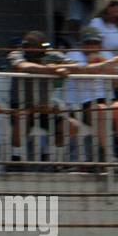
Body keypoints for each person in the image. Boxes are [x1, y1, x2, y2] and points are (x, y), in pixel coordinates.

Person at [66, 28, 118, 162]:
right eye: (88, 43)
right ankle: (110, 157)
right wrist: (105, 64)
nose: (92, 47)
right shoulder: (73, 55)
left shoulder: (105, 56)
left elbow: (117, 82)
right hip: (80, 104)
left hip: (106, 100)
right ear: (82, 44)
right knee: (101, 110)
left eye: (95, 43)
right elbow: (82, 72)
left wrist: (107, 65)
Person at [8, 31, 75, 163]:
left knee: (72, 126)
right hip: (21, 106)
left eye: (43, 48)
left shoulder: (52, 54)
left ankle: (54, 159)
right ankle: (15, 158)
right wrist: (52, 70)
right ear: (28, 48)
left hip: (45, 107)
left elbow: (74, 65)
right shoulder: (16, 54)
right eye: (38, 48)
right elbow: (23, 66)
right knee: (23, 117)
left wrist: (60, 67)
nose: (43, 52)